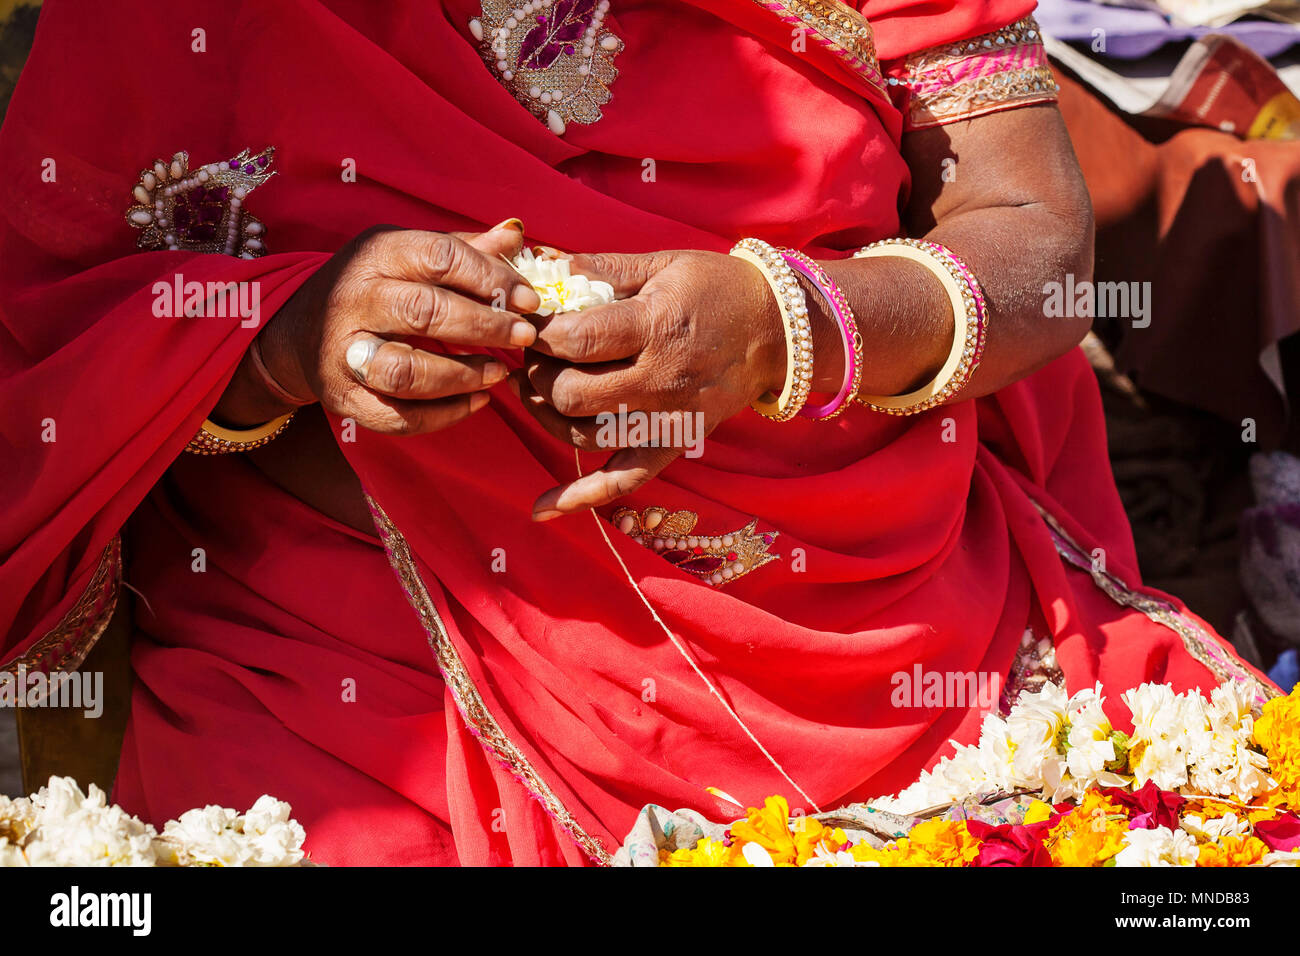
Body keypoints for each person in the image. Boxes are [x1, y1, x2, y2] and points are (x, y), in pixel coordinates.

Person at [0, 0, 1277, 865]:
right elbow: (53, 337)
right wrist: (293, 337)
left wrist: (788, 326)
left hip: (882, 630)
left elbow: (1038, 245)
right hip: (362, 659)